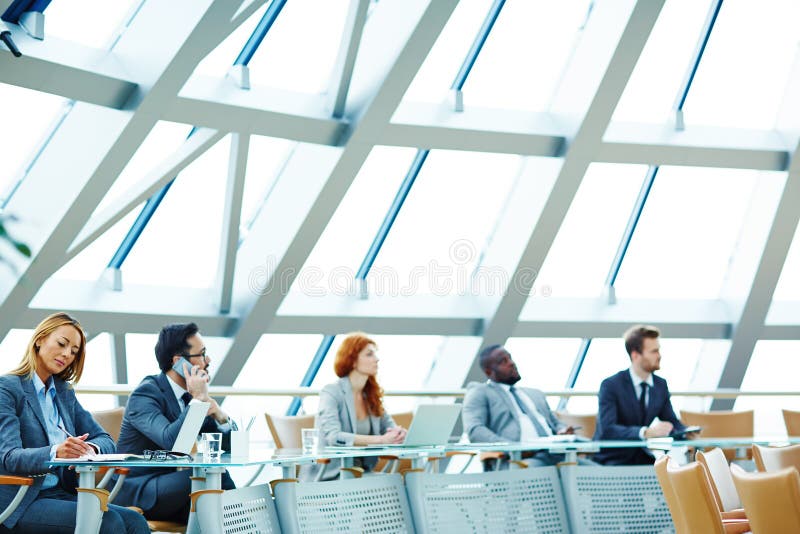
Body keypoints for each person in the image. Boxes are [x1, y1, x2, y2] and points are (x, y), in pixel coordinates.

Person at [0, 312, 148, 533]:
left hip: (61, 494)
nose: (67, 354)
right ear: (39, 339)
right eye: (62, 343)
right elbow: (10, 457)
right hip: (23, 500)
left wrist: (89, 448)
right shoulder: (8, 388)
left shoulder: (63, 393)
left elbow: (106, 440)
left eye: (74, 351)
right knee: (108, 522)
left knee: (135, 522)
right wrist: (55, 452)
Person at [115, 322, 235, 523]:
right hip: (139, 489)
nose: (208, 360)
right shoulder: (145, 394)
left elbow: (227, 447)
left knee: (214, 512)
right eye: (202, 354)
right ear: (179, 362)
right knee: (212, 476)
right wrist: (198, 400)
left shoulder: (188, 398)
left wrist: (220, 416)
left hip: (171, 489)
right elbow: (174, 444)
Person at [463, 344, 588, 468]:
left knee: (601, 475)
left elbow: (555, 423)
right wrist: (513, 448)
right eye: (503, 361)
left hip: (555, 454)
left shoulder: (535, 394)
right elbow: (475, 430)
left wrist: (562, 431)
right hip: (521, 459)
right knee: (536, 473)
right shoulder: (481, 392)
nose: (511, 363)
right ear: (489, 372)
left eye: (510, 358)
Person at [593, 324, 687, 465]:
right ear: (635, 355)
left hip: (642, 457)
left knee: (670, 472)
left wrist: (686, 432)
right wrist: (645, 432)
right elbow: (608, 429)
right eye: (654, 351)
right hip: (612, 459)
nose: (659, 355)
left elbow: (671, 421)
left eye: (658, 350)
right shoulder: (611, 385)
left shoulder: (660, 385)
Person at [316, 333, 406, 477]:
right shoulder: (332, 392)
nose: (376, 359)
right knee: (393, 487)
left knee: (398, 483)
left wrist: (398, 434)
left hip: (363, 472)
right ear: (352, 360)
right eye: (369, 354)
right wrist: (380, 440)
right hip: (333, 475)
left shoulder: (370, 395)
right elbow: (334, 437)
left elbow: (389, 426)